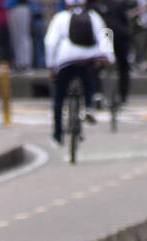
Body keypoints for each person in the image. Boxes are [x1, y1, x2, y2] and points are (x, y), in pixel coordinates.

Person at [45, 0, 115, 146]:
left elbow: (50, 42)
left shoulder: (60, 17)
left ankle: (57, 134)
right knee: (90, 80)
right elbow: (105, 34)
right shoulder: (93, 16)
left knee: (59, 97)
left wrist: (51, 65)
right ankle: (89, 106)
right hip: (88, 58)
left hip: (65, 60)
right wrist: (109, 57)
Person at [96, 0, 136, 104]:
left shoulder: (98, 4)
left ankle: (98, 94)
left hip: (106, 34)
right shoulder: (120, 3)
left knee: (100, 64)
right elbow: (125, 20)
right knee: (123, 66)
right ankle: (123, 95)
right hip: (120, 34)